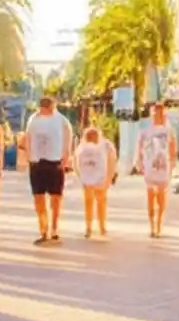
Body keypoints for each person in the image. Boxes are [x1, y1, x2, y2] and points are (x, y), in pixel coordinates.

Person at [22, 96, 73, 244]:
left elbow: (68, 138)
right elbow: (28, 137)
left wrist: (66, 156)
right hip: (37, 162)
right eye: (42, 108)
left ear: (53, 107)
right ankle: (43, 229)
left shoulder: (62, 121)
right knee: (38, 197)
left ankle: (55, 229)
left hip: (55, 162)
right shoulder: (33, 120)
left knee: (55, 197)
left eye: (47, 108)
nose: (44, 110)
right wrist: (28, 156)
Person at [136, 102, 176, 238]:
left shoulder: (168, 130)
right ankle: (152, 226)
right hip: (150, 166)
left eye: (160, 113)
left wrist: (172, 164)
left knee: (161, 196)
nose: (157, 115)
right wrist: (139, 162)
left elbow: (172, 147)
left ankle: (159, 224)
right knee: (150, 196)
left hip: (163, 166)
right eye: (155, 113)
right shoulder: (146, 131)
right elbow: (139, 146)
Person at [74, 127, 116, 238]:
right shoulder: (82, 147)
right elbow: (77, 163)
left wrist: (108, 179)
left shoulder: (106, 146)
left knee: (101, 201)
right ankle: (89, 227)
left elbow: (111, 161)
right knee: (89, 202)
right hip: (88, 179)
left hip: (101, 178)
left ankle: (102, 226)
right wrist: (82, 177)